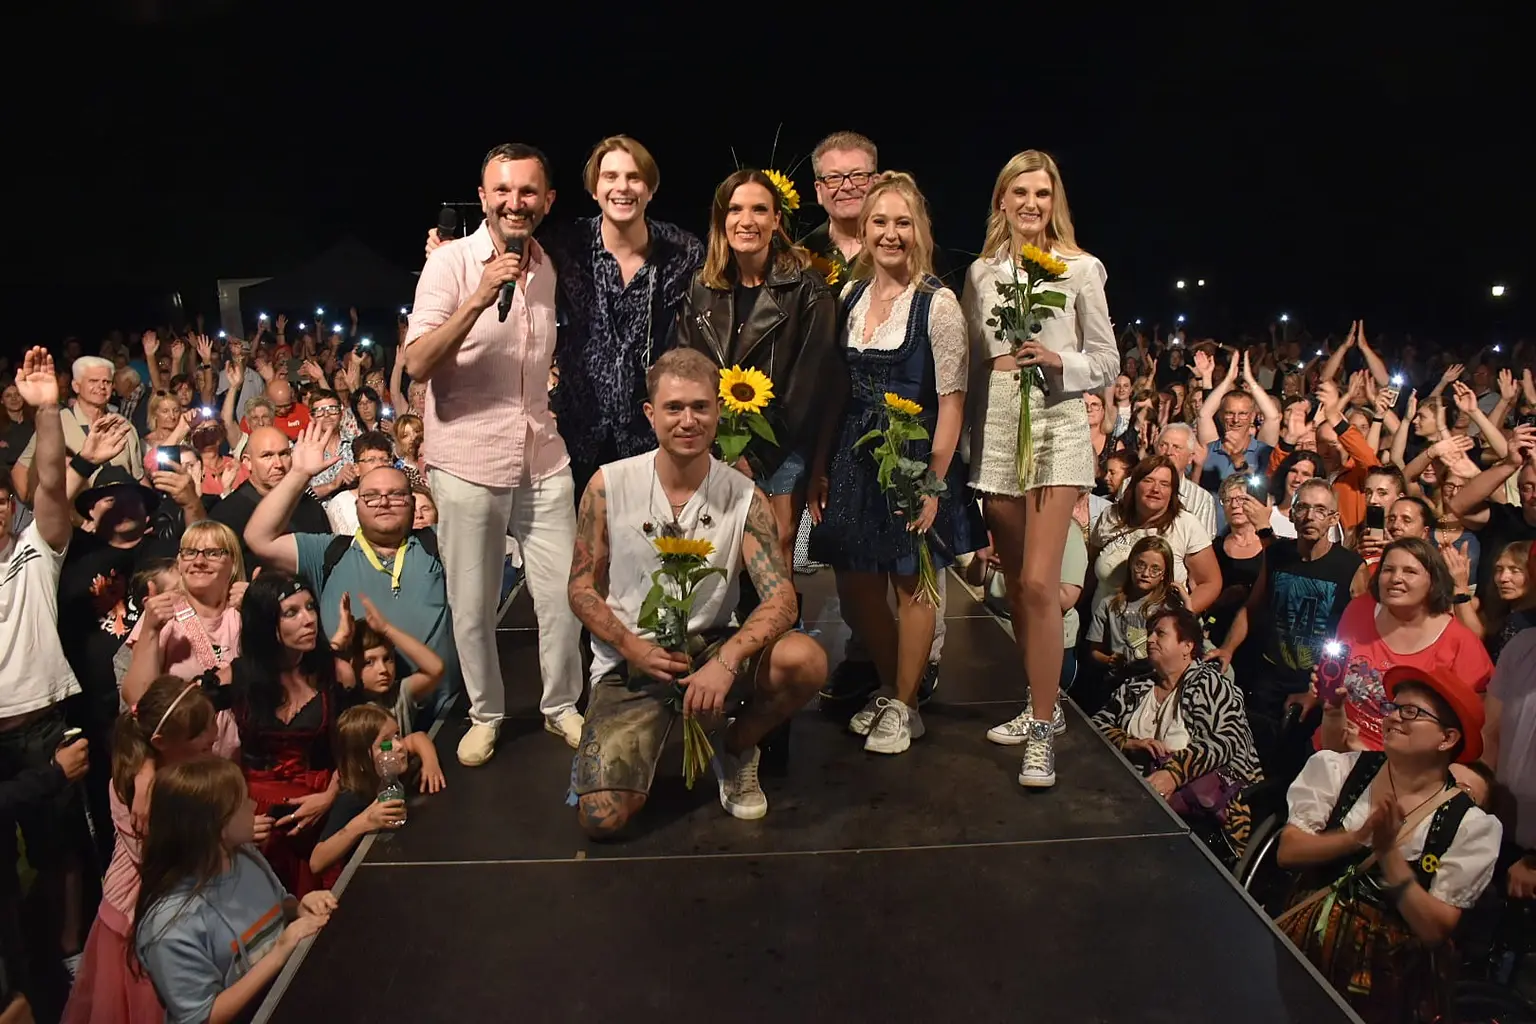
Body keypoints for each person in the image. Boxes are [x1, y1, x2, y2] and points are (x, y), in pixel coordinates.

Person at [567, 348, 827, 836]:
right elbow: (581, 586)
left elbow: (781, 597)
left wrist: (727, 662)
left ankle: (735, 746)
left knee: (805, 659)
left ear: (719, 411)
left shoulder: (744, 497)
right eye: (674, 408)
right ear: (651, 414)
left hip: (710, 646)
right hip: (634, 659)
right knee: (600, 818)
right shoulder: (608, 486)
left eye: (700, 407)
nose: (688, 420)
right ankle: (633, 745)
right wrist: (632, 646)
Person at [404, 143, 584, 767]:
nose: (515, 202)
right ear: (483, 197)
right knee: (475, 602)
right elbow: (417, 363)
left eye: (528, 192)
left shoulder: (549, 268)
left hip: (542, 454)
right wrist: (478, 297)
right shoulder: (450, 265)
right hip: (467, 460)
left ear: (547, 201)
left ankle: (562, 706)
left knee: (563, 594)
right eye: (502, 191)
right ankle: (486, 713)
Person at [806, 174, 984, 754]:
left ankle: (906, 705)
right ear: (865, 228)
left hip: (912, 456)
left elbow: (951, 402)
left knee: (913, 585)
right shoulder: (850, 298)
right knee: (856, 587)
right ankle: (890, 687)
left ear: (918, 231)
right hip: (854, 455)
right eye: (879, 222)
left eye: (901, 222)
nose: (889, 233)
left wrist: (933, 481)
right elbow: (835, 392)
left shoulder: (939, 305)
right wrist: (820, 466)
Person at [962, 150, 1120, 788]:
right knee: (1016, 587)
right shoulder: (980, 274)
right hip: (998, 424)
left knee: (1036, 583)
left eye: (1043, 192)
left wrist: (1061, 364)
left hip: (1055, 421)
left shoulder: (1081, 268)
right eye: (1020, 191)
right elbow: (975, 364)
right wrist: (969, 445)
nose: (1031, 203)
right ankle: (1036, 702)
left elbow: (1106, 359)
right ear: (1002, 199)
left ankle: (1044, 727)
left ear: (1055, 202)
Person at [1276, 667, 1501, 1024]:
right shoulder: (1340, 770)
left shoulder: (1470, 826)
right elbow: (1288, 852)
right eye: (1394, 707)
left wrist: (1389, 855)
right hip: (1300, 959)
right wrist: (1354, 838)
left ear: (1447, 738)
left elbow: (1434, 929)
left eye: (1411, 712)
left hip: (1388, 992)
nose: (1393, 717)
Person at [672, 167, 840, 579]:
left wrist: (756, 458)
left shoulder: (807, 289)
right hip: (713, 446)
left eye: (759, 210)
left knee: (775, 545)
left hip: (780, 447)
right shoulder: (700, 287)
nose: (747, 221)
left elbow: (808, 387)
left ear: (776, 220)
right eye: (735, 209)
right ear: (721, 219)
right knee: (714, 550)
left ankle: (775, 641)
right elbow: (686, 369)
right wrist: (716, 447)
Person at [245, 421, 458, 731]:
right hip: (357, 724)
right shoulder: (328, 552)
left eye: (397, 495)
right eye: (371, 496)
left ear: (413, 504)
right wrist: (299, 474)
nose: (384, 501)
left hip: (444, 717)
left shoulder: (437, 543)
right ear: (356, 506)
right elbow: (258, 538)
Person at [61, 676, 246, 1024]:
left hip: (192, 907)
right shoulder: (132, 791)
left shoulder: (189, 763)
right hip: (140, 922)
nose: (213, 736)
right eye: (201, 733)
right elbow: (160, 864)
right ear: (162, 743)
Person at [544, 135, 704, 498]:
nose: (622, 187)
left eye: (634, 177)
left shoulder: (683, 252)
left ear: (651, 188)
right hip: (577, 433)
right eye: (610, 176)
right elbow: (512, 251)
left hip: (651, 434)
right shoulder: (565, 245)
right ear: (595, 187)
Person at [0, 350, 89, 998]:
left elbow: (53, 484)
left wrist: (49, 411)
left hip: (41, 724)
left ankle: (69, 957)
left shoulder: (35, 552)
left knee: (60, 854)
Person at [132, 757, 336, 1024]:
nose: (252, 805)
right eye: (241, 803)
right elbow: (202, 1016)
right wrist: (279, 954)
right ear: (212, 826)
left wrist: (299, 907)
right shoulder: (169, 927)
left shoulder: (245, 856)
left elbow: (279, 904)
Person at [1211, 479, 1364, 767]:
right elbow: (1252, 607)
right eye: (1303, 507)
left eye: (1320, 510)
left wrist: (1319, 692)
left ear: (1333, 519)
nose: (1310, 516)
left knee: (1297, 763)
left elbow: (1356, 638)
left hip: (1316, 682)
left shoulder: (1351, 567)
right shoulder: (1276, 554)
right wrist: (1228, 649)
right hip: (1269, 675)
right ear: (1291, 514)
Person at [1092, 607, 1263, 859]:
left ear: (1187, 646)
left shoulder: (1212, 685)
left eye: (1160, 634)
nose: (1150, 639)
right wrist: (1130, 743)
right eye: (1150, 633)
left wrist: (1174, 773)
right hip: (1127, 798)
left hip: (1194, 812)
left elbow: (1228, 740)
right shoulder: (1135, 687)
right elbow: (1097, 725)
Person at [220, 573, 343, 895]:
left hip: (316, 810)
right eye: (292, 612)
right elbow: (154, 713)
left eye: (311, 608)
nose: (309, 620)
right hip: (256, 817)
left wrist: (329, 797)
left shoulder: (333, 674)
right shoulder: (239, 676)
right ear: (265, 623)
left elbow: (361, 747)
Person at [1319, 538, 1493, 754]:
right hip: (1333, 746)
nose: (1396, 579)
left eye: (1409, 571)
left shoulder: (1461, 643)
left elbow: (1479, 730)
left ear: (1433, 581)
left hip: (1407, 769)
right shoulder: (1359, 609)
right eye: (1388, 570)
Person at [308, 704, 441, 877]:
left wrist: (431, 763)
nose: (399, 746)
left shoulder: (395, 767)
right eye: (385, 744)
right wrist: (365, 821)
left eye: (397, 735)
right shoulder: (351, 798)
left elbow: (417, 738)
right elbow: (316, 862)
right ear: (362, 758)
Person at [1089, 456, 1223, 618]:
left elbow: (1211, 583)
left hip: (1159, 632)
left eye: (1164, 484)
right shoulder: (1111, 516)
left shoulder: (1187, 525)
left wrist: (1181, 616)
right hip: (1103, 627)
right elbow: (1089, 567)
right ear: (1134, 485)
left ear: (1172, 491)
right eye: (1148, 480)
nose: (1156, 489)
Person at [11, 355, 145, 501]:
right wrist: (41, 514)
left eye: (106, 381)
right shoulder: (57, 423)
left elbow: (138, 478)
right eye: (93, 381)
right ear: (76, 386)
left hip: (119, 516)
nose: (101, 386)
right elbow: (20, 473)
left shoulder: (124, 427)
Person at [208, 426, 329, 570]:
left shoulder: (308, 506)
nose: (278, 464)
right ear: (247, 462)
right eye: (267, 456)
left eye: (284, 454)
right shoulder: (228, 513)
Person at [799, 130, 880, 280]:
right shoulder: (800, 256)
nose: (847, 186)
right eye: (834, 178)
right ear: (819, 190)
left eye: (858, 175)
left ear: (876, 183)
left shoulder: (902, 249)